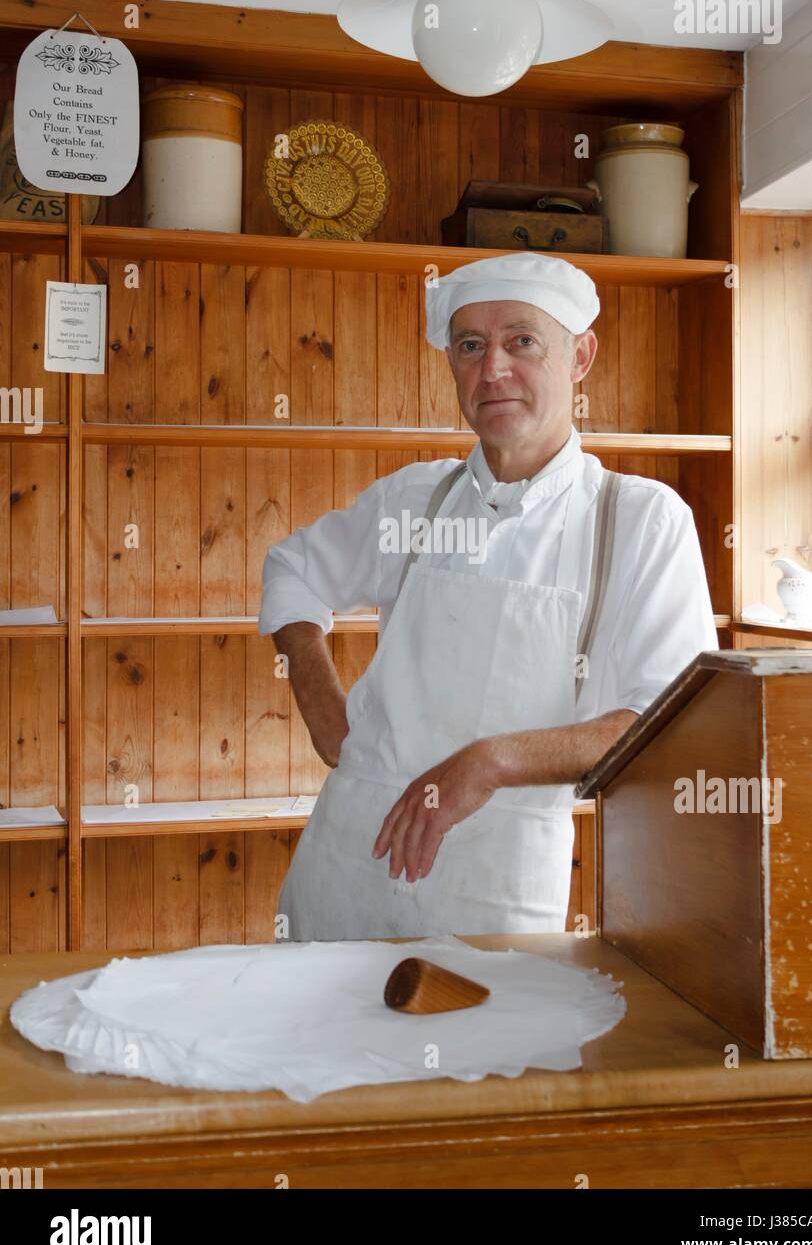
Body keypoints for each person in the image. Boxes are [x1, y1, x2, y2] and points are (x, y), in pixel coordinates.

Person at [258, 252, 718, 939]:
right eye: (470, 345)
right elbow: (292, 568)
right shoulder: (415, 499)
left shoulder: (641, 521)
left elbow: (666, 719)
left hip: (494, 879)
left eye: (521, 341)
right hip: (350, 856)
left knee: (482, 1041)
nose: (492, 369)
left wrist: (491, 762)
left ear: (581, 356)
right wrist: (322, 703)